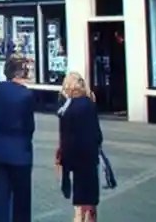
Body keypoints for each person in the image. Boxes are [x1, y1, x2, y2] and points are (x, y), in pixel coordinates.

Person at [0, 56, 35, 222]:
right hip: (20, 152)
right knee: (21, 198)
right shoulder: (26, 95)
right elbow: (29, 126)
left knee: (0, 194)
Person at [56, 72, 102, 222]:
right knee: (90, 198)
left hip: (74, 158)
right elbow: (97, 134)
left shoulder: (66, 109)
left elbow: (65, 137)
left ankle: (79, 218)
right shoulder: (90, 103)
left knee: (79, 199)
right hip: (90, 156)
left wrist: (63, 160)